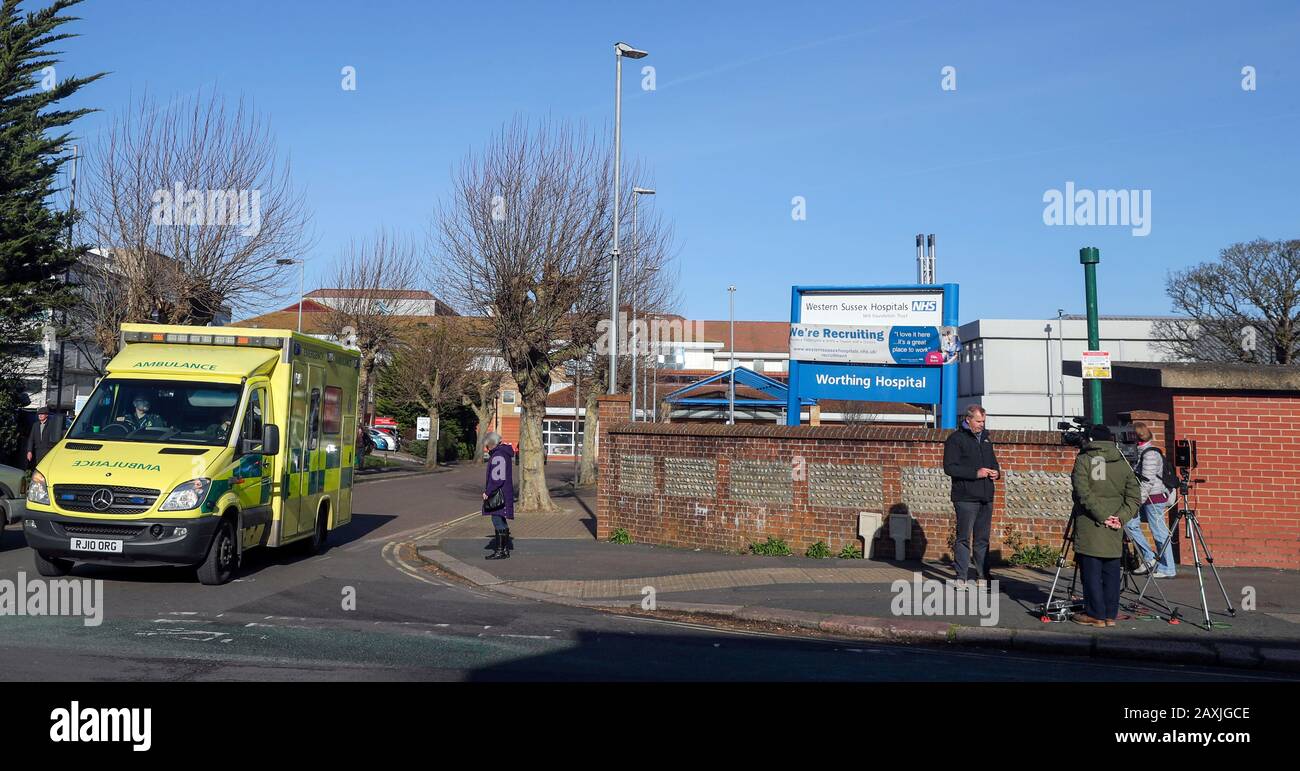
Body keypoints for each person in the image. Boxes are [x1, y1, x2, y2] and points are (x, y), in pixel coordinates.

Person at [1070, 425, 1142, 628]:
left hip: (1091, 524)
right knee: (1111, 572)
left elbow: (1082, 493)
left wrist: (1102, 516)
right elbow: (1135, 496)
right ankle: (1110, 614)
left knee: (1091, 572)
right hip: (1115, 527)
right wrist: (1120, 518)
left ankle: (1095, 614)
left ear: (1091, 440)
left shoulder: (1084, 460)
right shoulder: (1122, 463)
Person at [943, 404, 1000, 583]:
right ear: (968, 419)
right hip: (965, 497)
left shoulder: (986, 439)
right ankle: (961, 576)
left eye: (983, 421)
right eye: (978, 421)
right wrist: (976, 473)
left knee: (982, 539)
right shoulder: (956, 439)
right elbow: (950, 467)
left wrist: (996, 473)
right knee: (963, 538)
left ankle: (983, 575)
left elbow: (993, 462)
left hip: (986, 495)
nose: (982, 424)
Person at [1125, 422, 1177, 578]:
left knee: (1159, 533)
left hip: (1154, 498)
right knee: (1130, 524)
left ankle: (1168, 568)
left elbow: (1148, 481)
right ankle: (1149, 557)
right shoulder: (1140, 451)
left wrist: (1137, 501)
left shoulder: (1150, 454)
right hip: (1145, 497)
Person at [482, 431, 515, 560]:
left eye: (487, 446)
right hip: (504, 492)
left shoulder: (498, 456)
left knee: (497, 520)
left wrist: (487, 492)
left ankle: (500, 551)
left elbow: (497, 478)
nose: (486, 448)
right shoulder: (503, 453)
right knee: (501, 519)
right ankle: (504, 550)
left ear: (491, 444)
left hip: (498, 494)